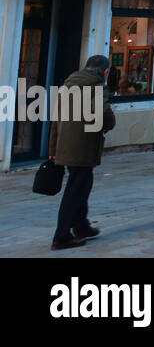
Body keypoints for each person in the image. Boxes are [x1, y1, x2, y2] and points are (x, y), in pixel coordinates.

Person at [49, 54, 116, 250]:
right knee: (76, 189)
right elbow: (103, 112)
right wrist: (109, 124)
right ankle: (61, 235)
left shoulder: (68, 84)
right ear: (105, 72)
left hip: (65, 144)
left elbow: (57, 118)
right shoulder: (96, 85)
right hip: (83, 145)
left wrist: (53, 148)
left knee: (82, 184)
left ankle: (81, 225)